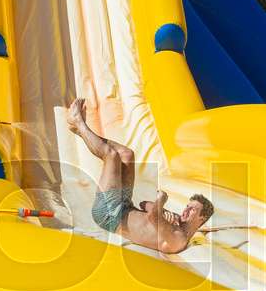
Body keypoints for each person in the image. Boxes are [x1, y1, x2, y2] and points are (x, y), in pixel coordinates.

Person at [66, 98, 213, 254]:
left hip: (110, 215)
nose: (186, 210)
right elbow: (143, 205)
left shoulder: (178, 239)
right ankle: (82, 131)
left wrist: (161, 202)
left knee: (111, 156)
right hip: (125, 204)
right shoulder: (176, 220)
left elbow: (152, 217)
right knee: (127, 154)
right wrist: (162, 211)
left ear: (201, 218)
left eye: (192, 210)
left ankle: (79, 123)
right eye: (188, 206)